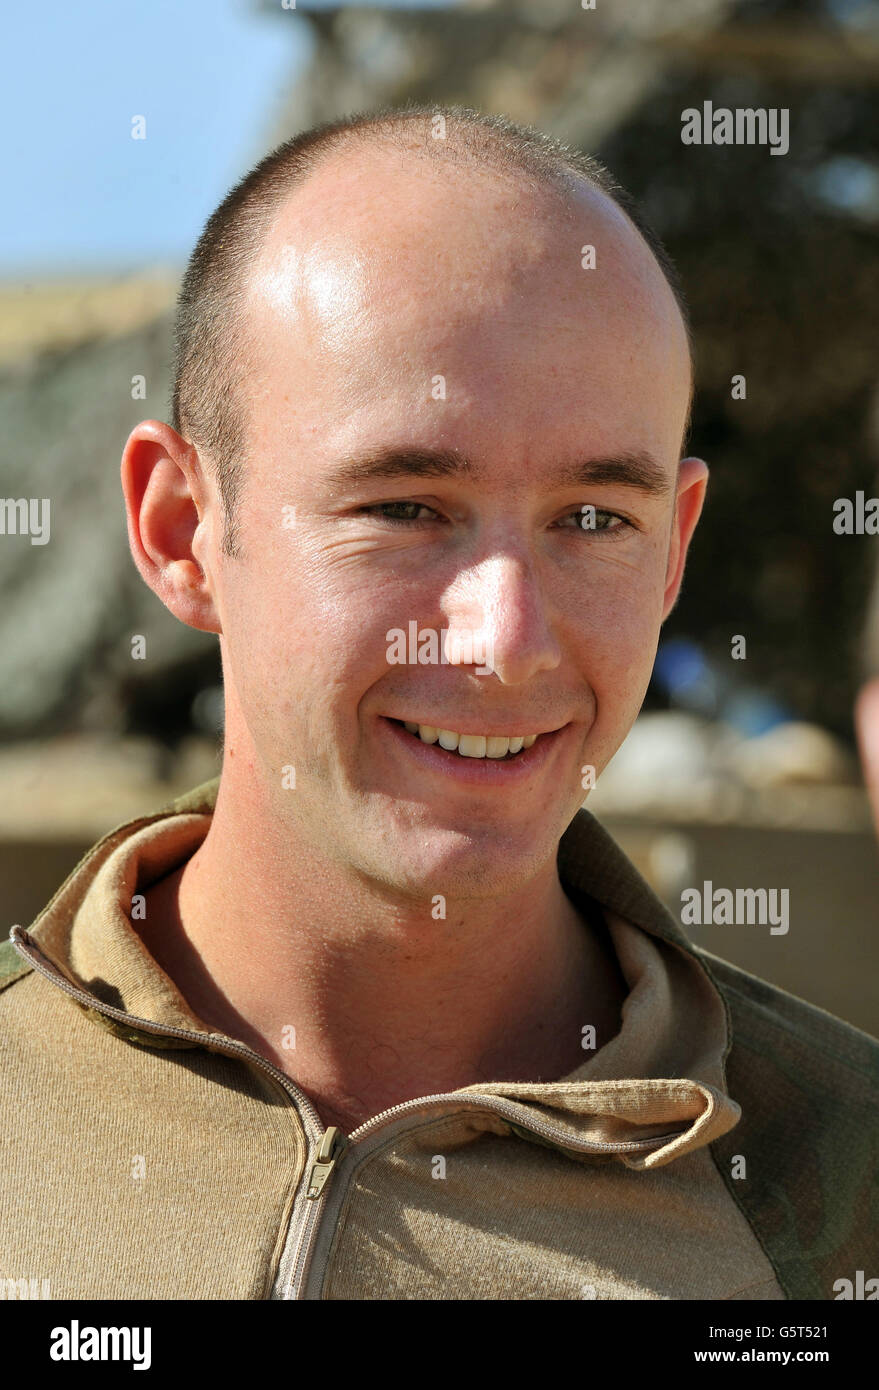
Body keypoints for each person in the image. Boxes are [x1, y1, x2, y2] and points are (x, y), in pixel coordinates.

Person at [2, 105, 875, 1301]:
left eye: (592, 520)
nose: (505, 641)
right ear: (180, 531)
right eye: (404, 507)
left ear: (674, 553)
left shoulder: (839, 1193)